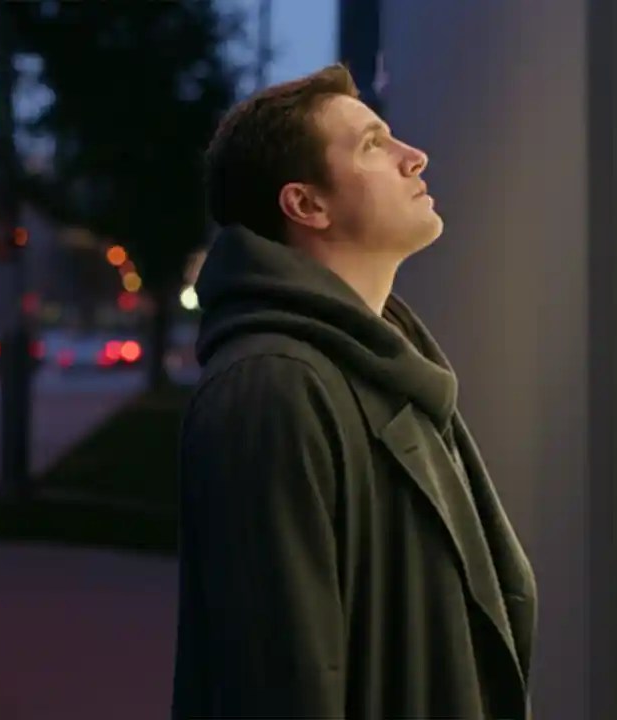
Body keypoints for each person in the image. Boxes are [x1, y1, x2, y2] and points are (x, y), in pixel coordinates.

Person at [170, 63, 538, 720]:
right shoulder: (273, 387)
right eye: (374, 145)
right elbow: (278, 682)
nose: (414, 157)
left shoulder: (391, 368)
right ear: (306, 204)